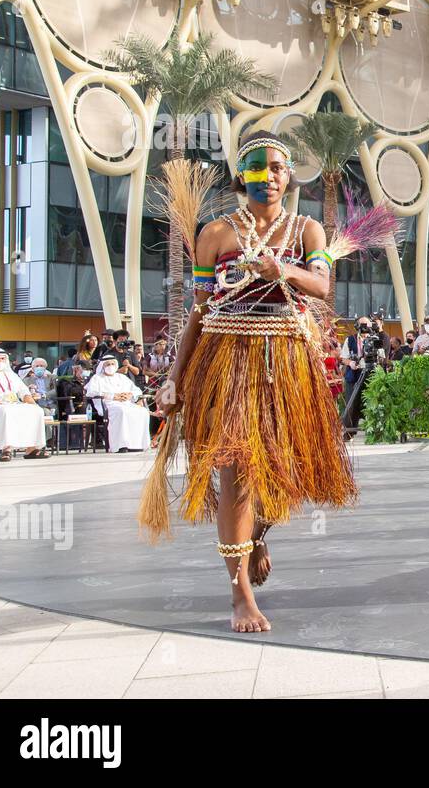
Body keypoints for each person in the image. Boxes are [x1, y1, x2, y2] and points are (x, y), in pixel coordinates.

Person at [144, 130, 356, 633]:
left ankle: (258, 532)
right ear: (244, 177)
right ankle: (239, 594)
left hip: (287, 361)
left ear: (289, 174)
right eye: (258, 168)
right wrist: (175, 377)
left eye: (278, 167)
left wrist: (279, 267)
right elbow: (198, 311)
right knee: (237, 472)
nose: (269, 176)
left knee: (289, 472)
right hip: (226, 361)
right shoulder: (215, 233)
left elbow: (323, 287)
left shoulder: (307, 231)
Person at [0, 347, 50, 461]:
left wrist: (29, 399)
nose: (0, 361)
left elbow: (23, 391)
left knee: (36, 411)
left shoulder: (11, 375)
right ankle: (6, 449)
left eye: (3, 359)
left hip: (13, 403)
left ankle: (32, 449)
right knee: (5, 411)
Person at [85, 352, 152, 453]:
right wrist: (113, 396)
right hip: (109, 404)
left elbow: (136, 390)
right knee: (121, 411)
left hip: (127, 403)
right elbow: (91, 392)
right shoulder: (97, 378)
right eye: (108, 364)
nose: (110, 366)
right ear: (102, 366)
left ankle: (137, 444)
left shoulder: (121, 377)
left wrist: (130, 395)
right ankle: (121, 445)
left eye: (112, 364)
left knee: (142, 411)